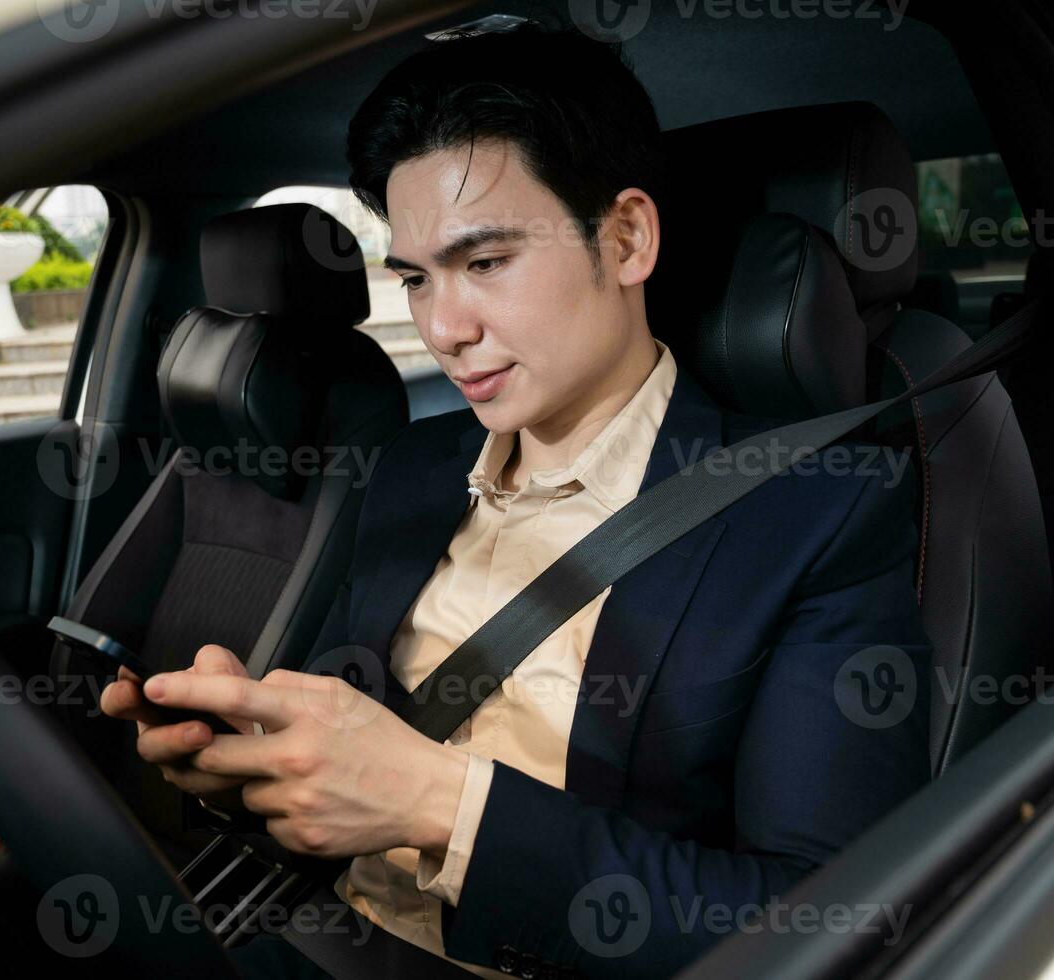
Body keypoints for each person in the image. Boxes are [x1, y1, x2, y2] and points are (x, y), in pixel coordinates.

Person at [102, 22, 931, 978]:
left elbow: (823, 925)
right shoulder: (408, 467)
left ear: (626, 238)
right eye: (416, 279)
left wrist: (440, 804)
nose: (443, 329)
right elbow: (349, 735)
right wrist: (248, 762)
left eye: (486, 262)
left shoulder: (815, 515)